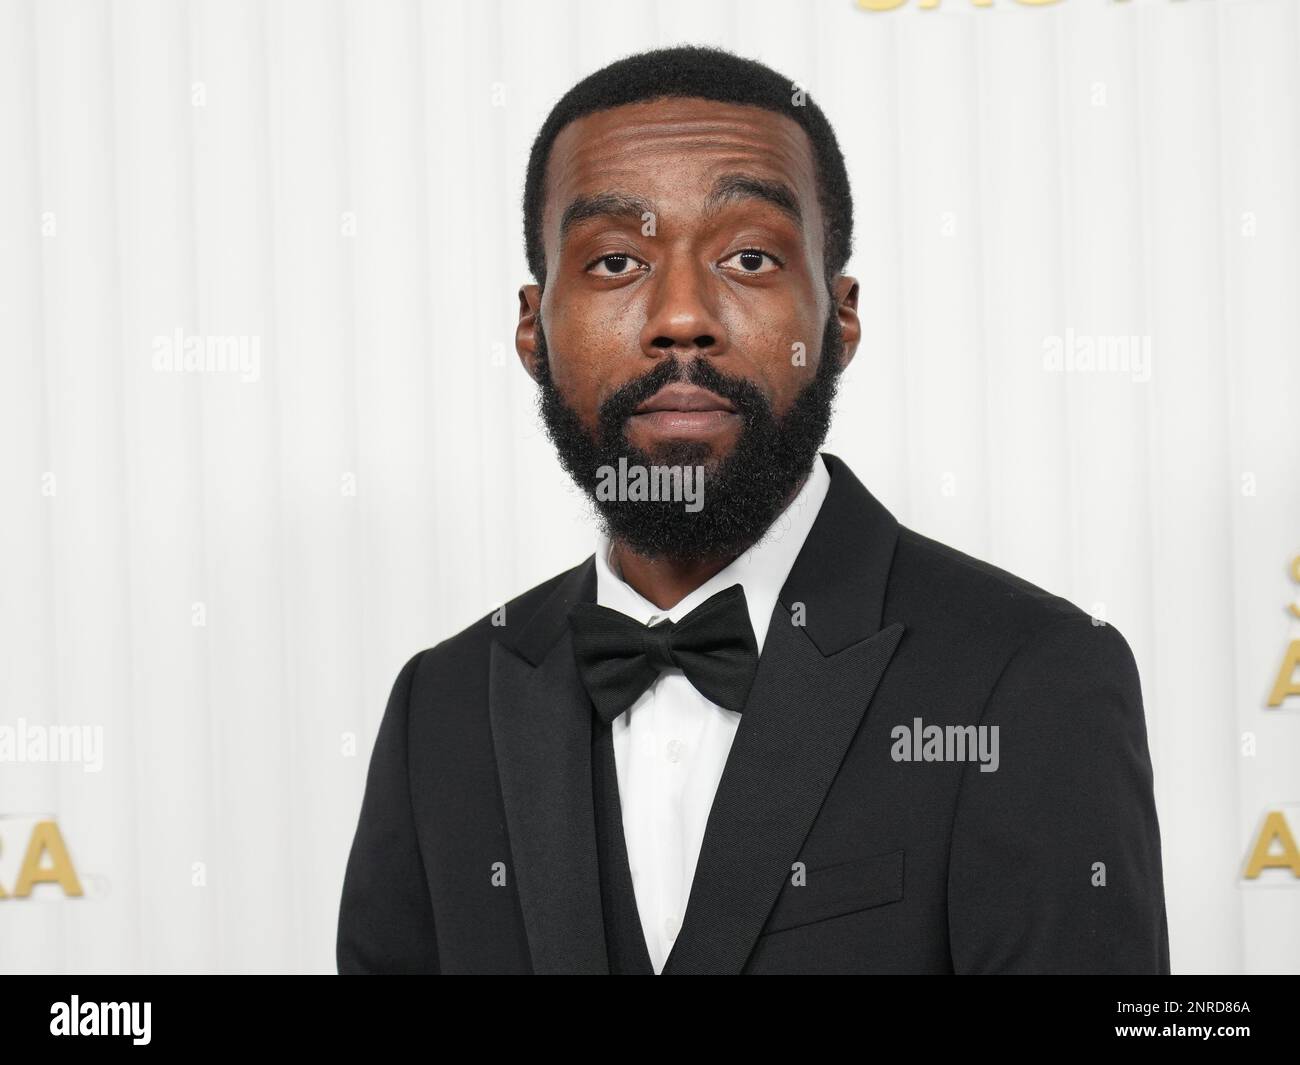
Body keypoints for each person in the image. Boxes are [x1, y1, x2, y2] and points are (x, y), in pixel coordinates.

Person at [337, 44, 1170, 974]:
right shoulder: (441, 707)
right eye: (615, 261)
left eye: (748, 255)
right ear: (533, 330)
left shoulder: (1031, 677)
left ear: (839, 318)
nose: (683, 314)